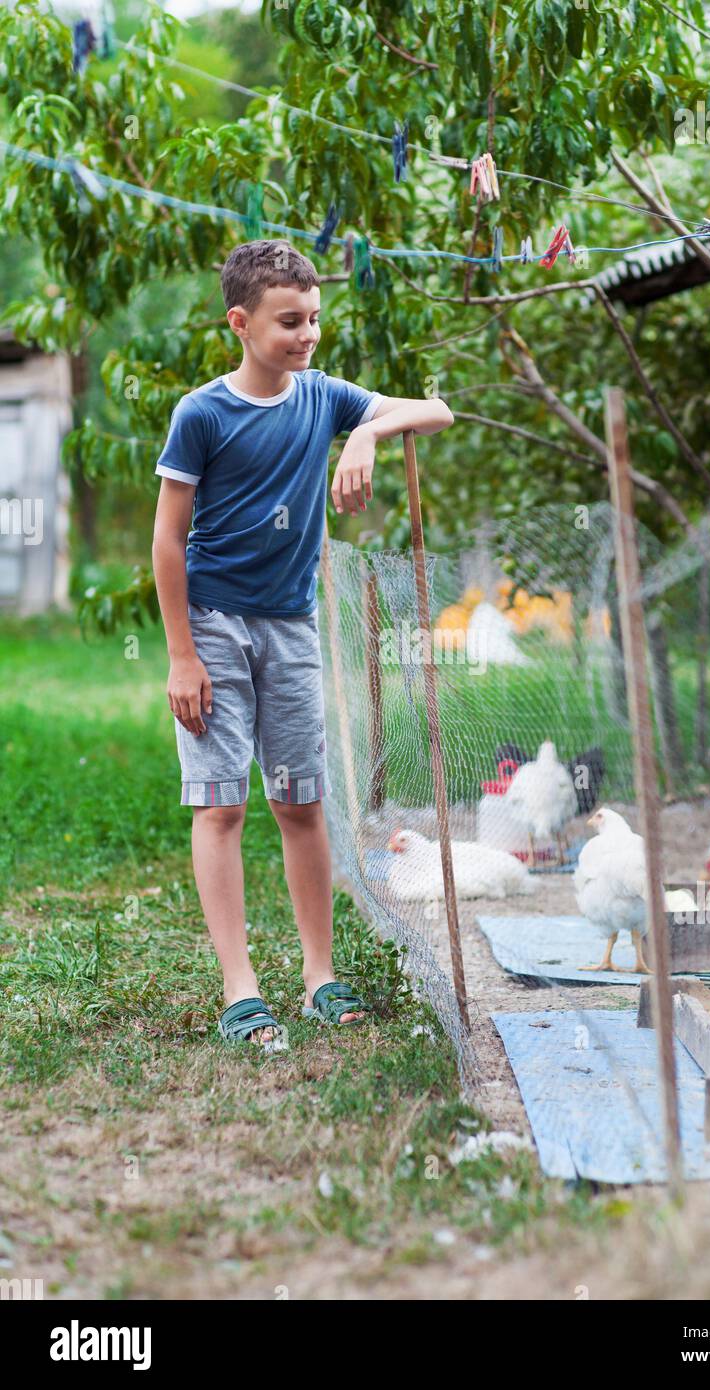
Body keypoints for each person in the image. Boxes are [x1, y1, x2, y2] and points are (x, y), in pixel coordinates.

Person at [151, 239, 454, 1048]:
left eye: (316, 318)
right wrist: (182, 654)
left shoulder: (324, 398)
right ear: (240, 323)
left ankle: (320, 975)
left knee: (299, 801)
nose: (308, 334)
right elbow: (166, 541)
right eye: (290, 322)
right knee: (221, 804)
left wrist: (365, 436)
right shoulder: (202, 413)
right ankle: (240, 987)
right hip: (214, 625)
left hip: (291, 628)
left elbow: (435, 410)